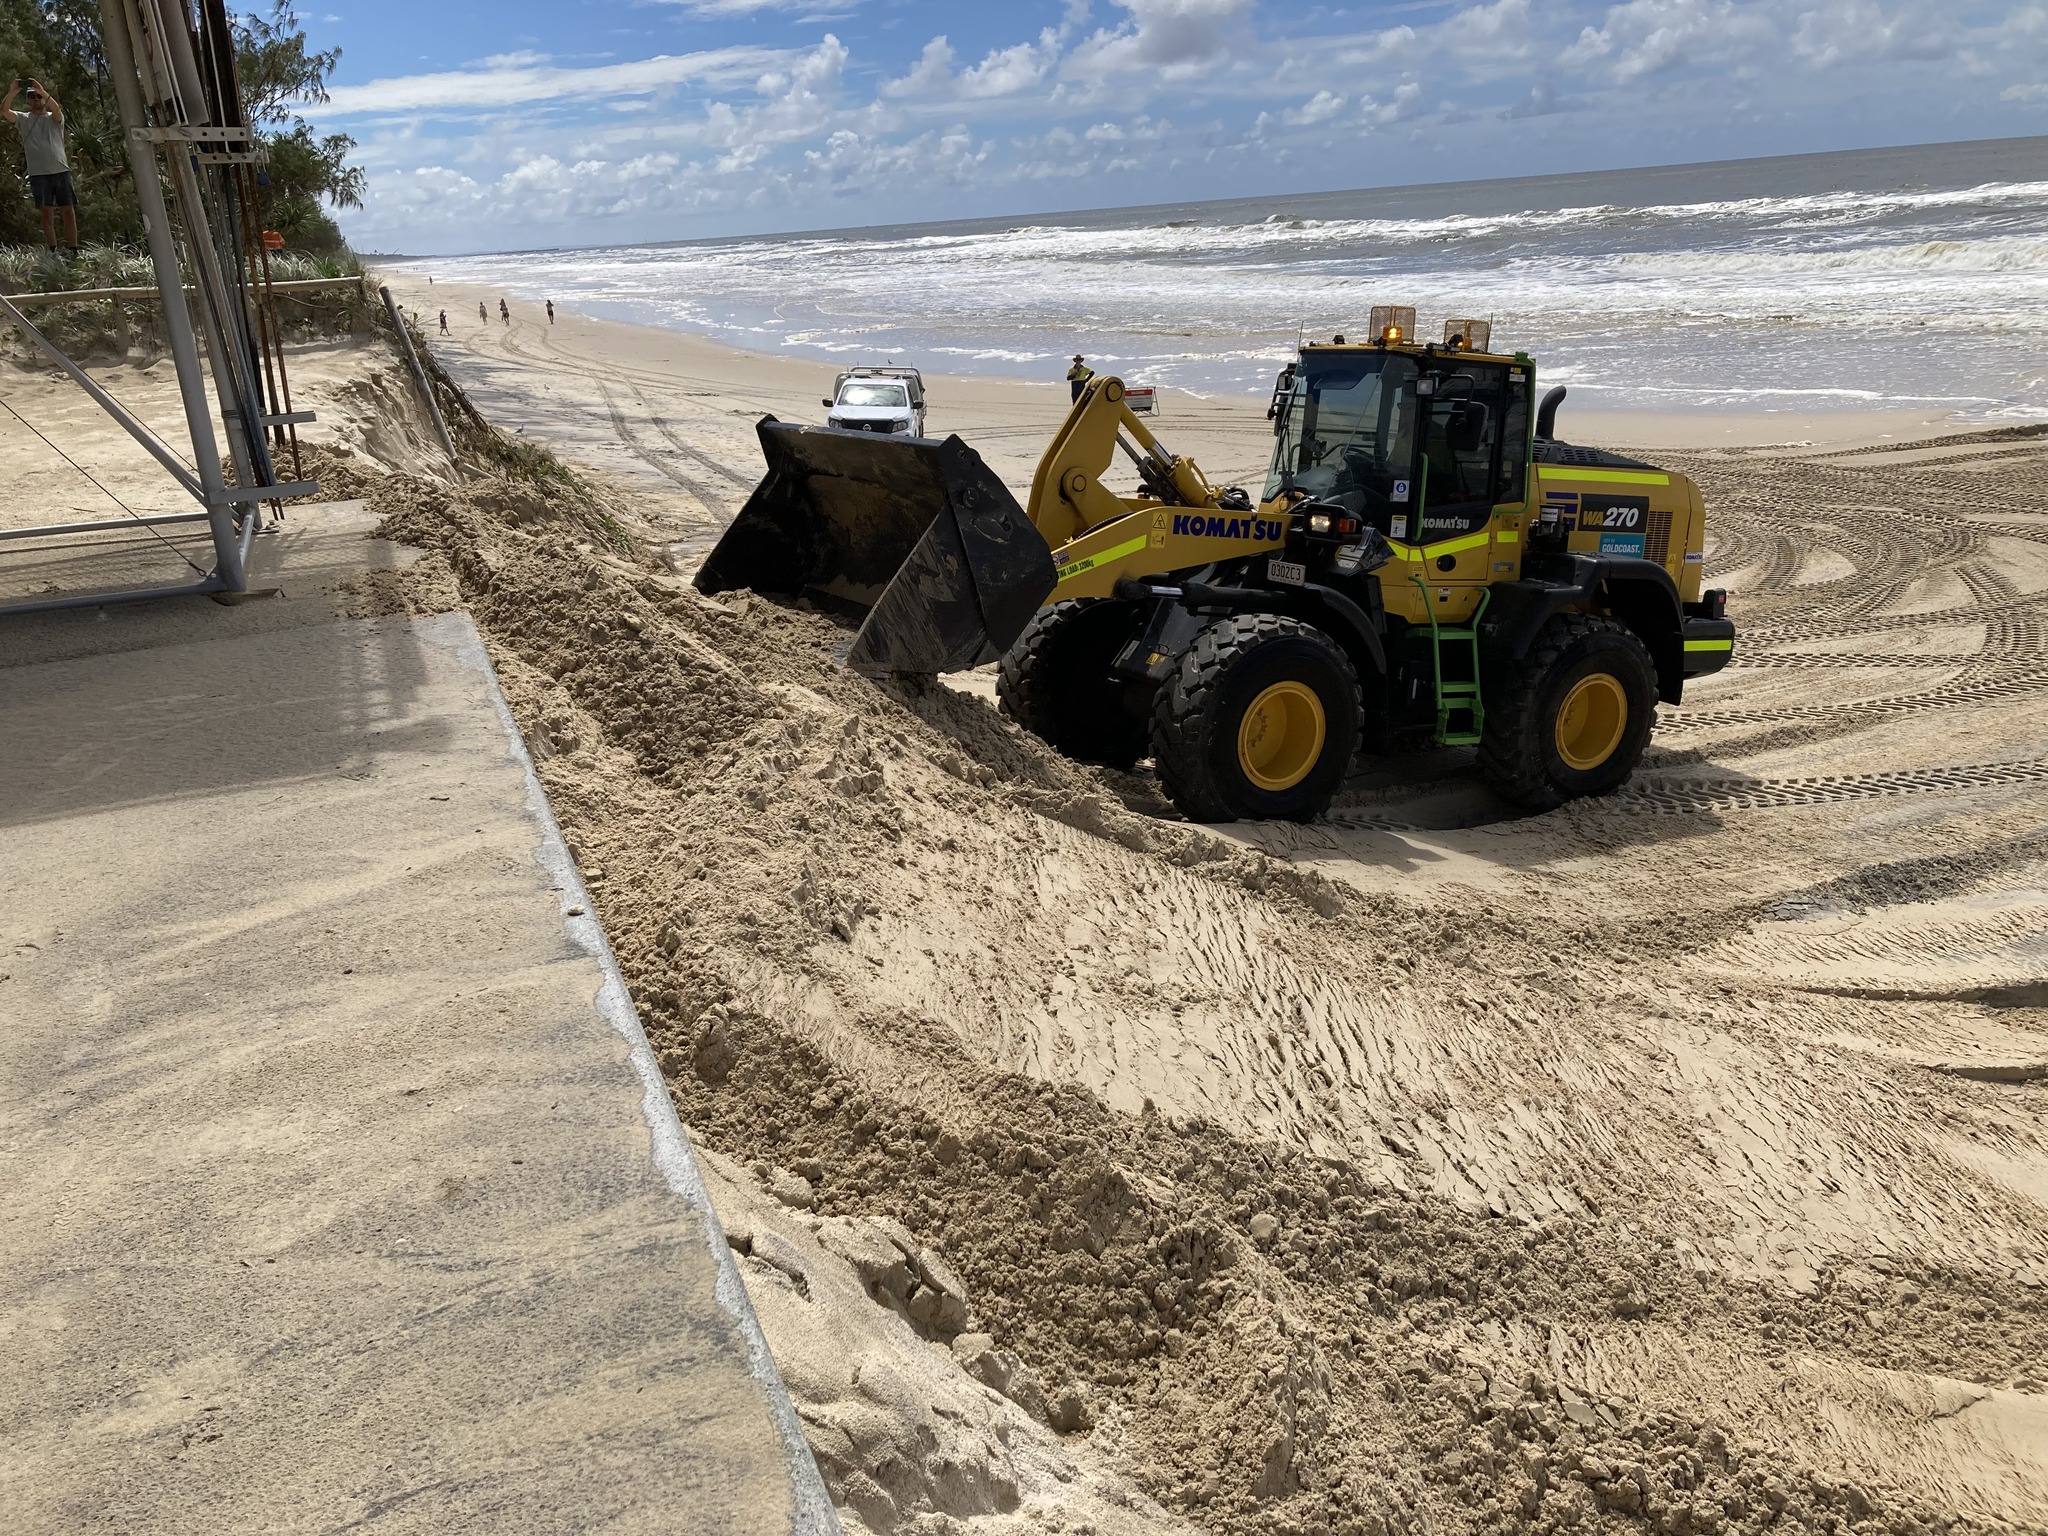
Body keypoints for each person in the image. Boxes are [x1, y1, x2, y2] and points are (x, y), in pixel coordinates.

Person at [5, 78, 77, 256]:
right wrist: (13, 91)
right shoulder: (23, 119)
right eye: (32, 97)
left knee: (68, 211)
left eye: (39, 97)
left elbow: (57, 109)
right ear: (28, 100)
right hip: (39, 174)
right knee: (46, 213)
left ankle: (73, 250)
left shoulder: (54, 118)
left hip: (61, 170)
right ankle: (53, 250)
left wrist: (43, 91)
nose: (36, 99)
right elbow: (4, 111)